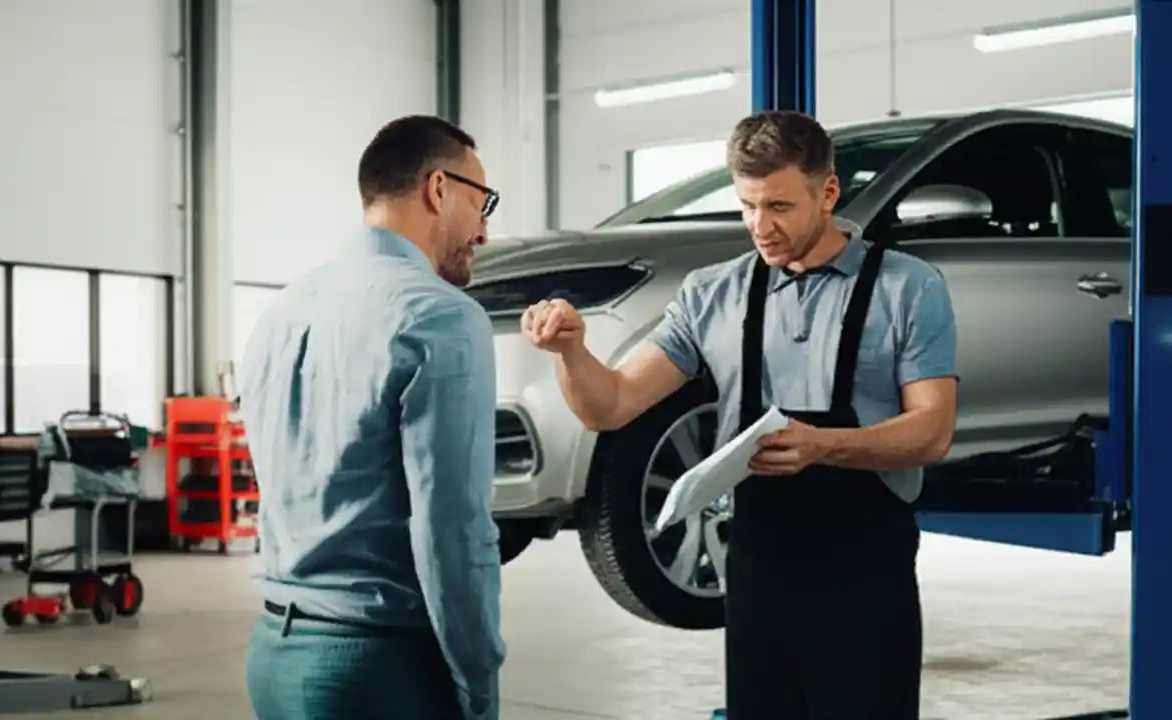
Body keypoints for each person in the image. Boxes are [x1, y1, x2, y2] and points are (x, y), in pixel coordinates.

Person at [522, 109, 958, 719]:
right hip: (758, 568)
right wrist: (570, 350)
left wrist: (823, 445)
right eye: (747, 206)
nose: (761, 226)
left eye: (779, 207)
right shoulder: (711, 294)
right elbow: (611, 405)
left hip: (866, 569)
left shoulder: (909, 289)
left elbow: (932, 431)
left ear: (828, 192)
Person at [239, 114, 506, 720]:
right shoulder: (442, 316)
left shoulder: (282, 310)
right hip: (378, 668)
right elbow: (453, 532)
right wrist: (479, 686)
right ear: (438, 189)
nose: (484, 231)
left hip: (274, 658)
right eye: (481, 202)